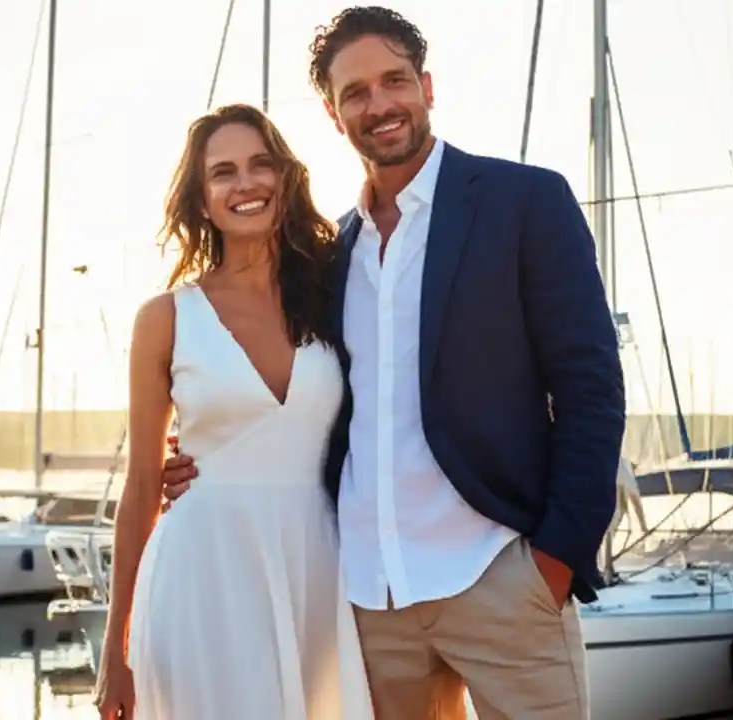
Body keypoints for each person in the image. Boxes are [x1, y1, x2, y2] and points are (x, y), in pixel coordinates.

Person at [159, 6, 626, 719]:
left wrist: (556, 560)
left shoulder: (524, 203)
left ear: (426, 86)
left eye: (394, 81)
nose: (379, 104)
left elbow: (591, 390)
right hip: (370, 600)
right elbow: (294, 391)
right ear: (332, 112)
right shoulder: (329, 254)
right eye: (355, 92)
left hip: (501, 579)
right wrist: (207, 450)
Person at [94, 103, 374, 720]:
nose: (245, 184)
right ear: (201, 199)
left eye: (259, 164)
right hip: (203, 573)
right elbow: (141, 488)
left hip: (315, 567)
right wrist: (116, 649)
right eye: (223, 172)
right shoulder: (165, 318)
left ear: (285, 177)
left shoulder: (331, 295)